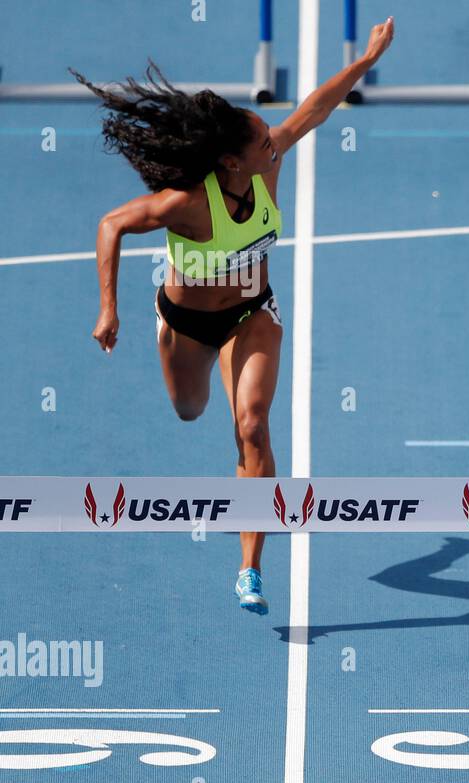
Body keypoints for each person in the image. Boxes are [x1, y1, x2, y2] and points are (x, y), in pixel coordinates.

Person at [79, 18, 396, 614]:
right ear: (229, 161)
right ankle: (175, 346)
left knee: (252, 426)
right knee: (189, 410)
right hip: (186, 324)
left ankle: (250, 567)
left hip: (253, 312)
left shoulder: (267, 167)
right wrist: (107, 309)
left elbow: (315, 109)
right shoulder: (187, 203)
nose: (274, 143)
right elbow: (111, 224)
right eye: (261, 142)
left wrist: (366, 59)